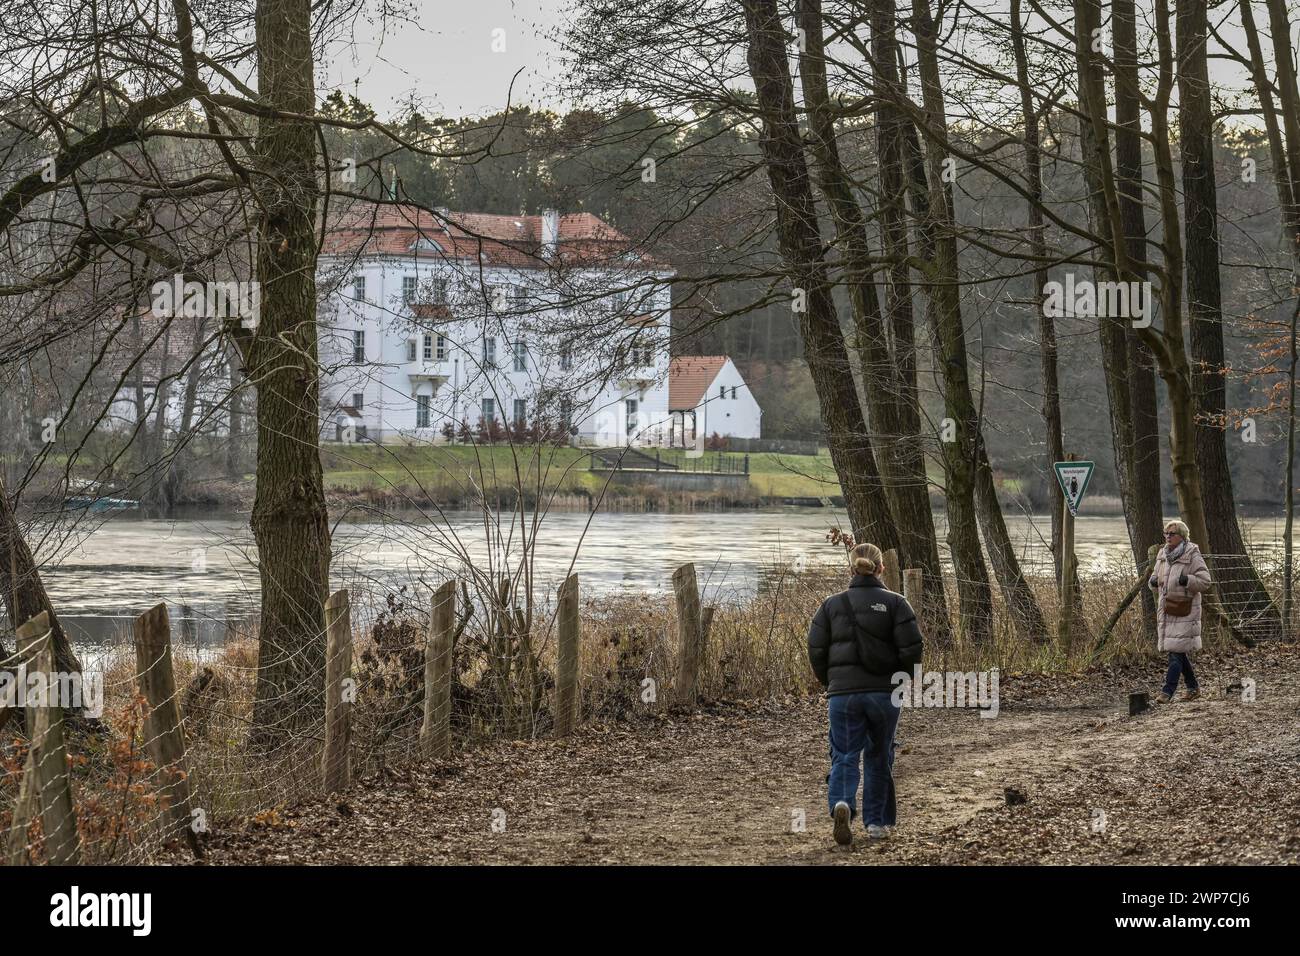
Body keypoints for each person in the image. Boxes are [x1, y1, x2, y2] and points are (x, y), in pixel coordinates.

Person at [807, 542, 923, 847]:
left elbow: (816, 650)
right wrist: (902, 680)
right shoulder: (897, 604)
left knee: (844, 753)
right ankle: (876, 823)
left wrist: (830, 682)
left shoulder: (831, 606)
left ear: (851, 568)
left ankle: (842, 803)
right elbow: (913, 650)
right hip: (885, 694)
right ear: (881, 568)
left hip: (843, 695)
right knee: (879, 754)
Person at [1147, 519, 1212, 703]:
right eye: (1166, 533)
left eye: (1172, 534)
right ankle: (1193, 688)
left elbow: (1205, 581)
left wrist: (1187, 580)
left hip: (1185, 611)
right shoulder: (1162, 554)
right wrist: (1152, 583)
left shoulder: (1192, 553)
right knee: (1178, 652)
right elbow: (1155, 577)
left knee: (1175, 653)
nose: (1167, 537)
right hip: (1167, 610)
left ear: (1182, 536)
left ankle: (1167, 692)